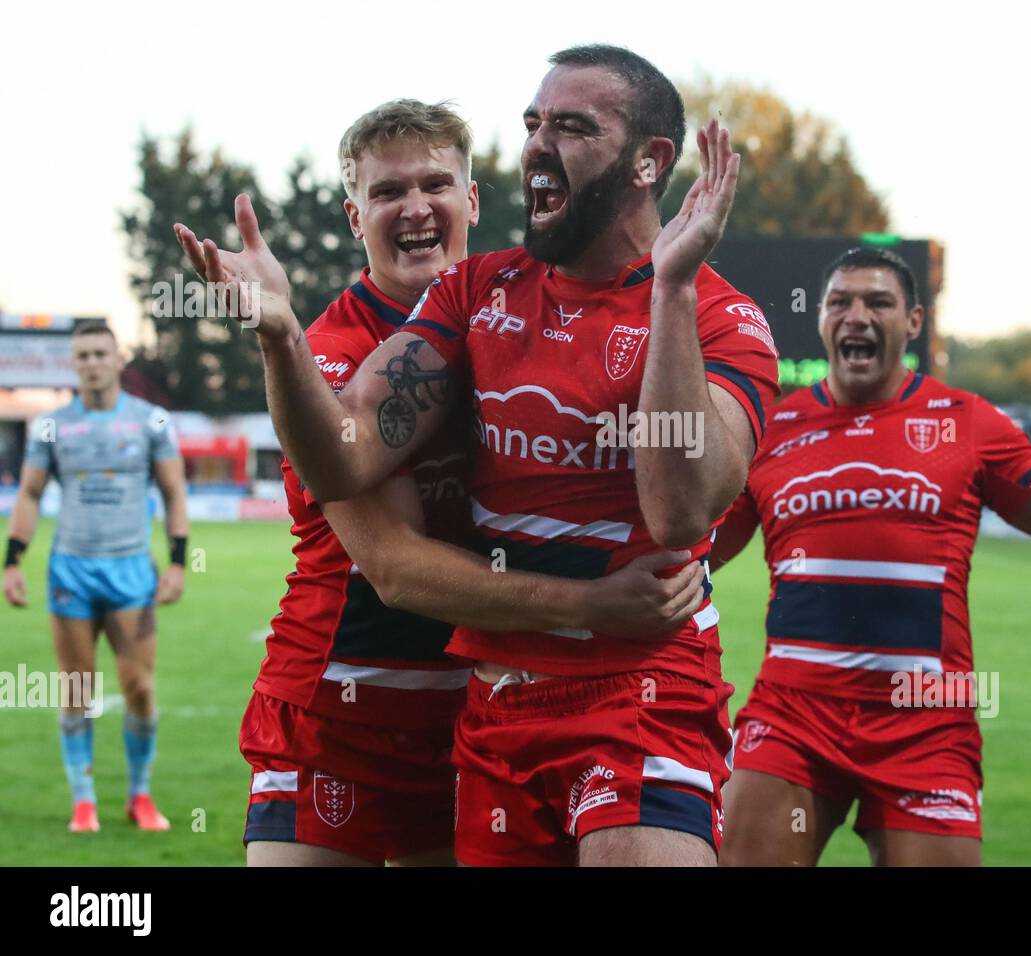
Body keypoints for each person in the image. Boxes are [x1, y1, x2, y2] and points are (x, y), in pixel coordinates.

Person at [175, 46, 776, 866]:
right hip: (473, 707)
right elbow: (351, 467)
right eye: (532, 124)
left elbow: (679, 512)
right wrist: (281, 337)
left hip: (639, 698)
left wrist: (669, 290)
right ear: (354, 215)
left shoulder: (723, 318)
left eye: (571, 126)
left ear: (649, 162)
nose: (538, 144)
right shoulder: (472, 296)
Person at [709, 247, 1031, 867]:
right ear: (821, 319)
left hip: (925, 720)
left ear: (913, 322)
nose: (856, 316)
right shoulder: (775, 428)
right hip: (793, 714)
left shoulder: (967, 423)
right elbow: (699, 551)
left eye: (878, 302)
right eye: (840, 302)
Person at [4, 322, 189, 833]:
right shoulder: (51, 425)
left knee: (139, 689)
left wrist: (178, 561)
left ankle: (139, 795)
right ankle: (83, 801)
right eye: (82, 355)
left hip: (131, 570)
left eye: (99, 354)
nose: (90, 363)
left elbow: (174, 492)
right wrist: (12, 561)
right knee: (76, 689)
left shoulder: (151, 421)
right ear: (73, 363)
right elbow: (30, 494)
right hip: (71, 570)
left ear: (118, 358)